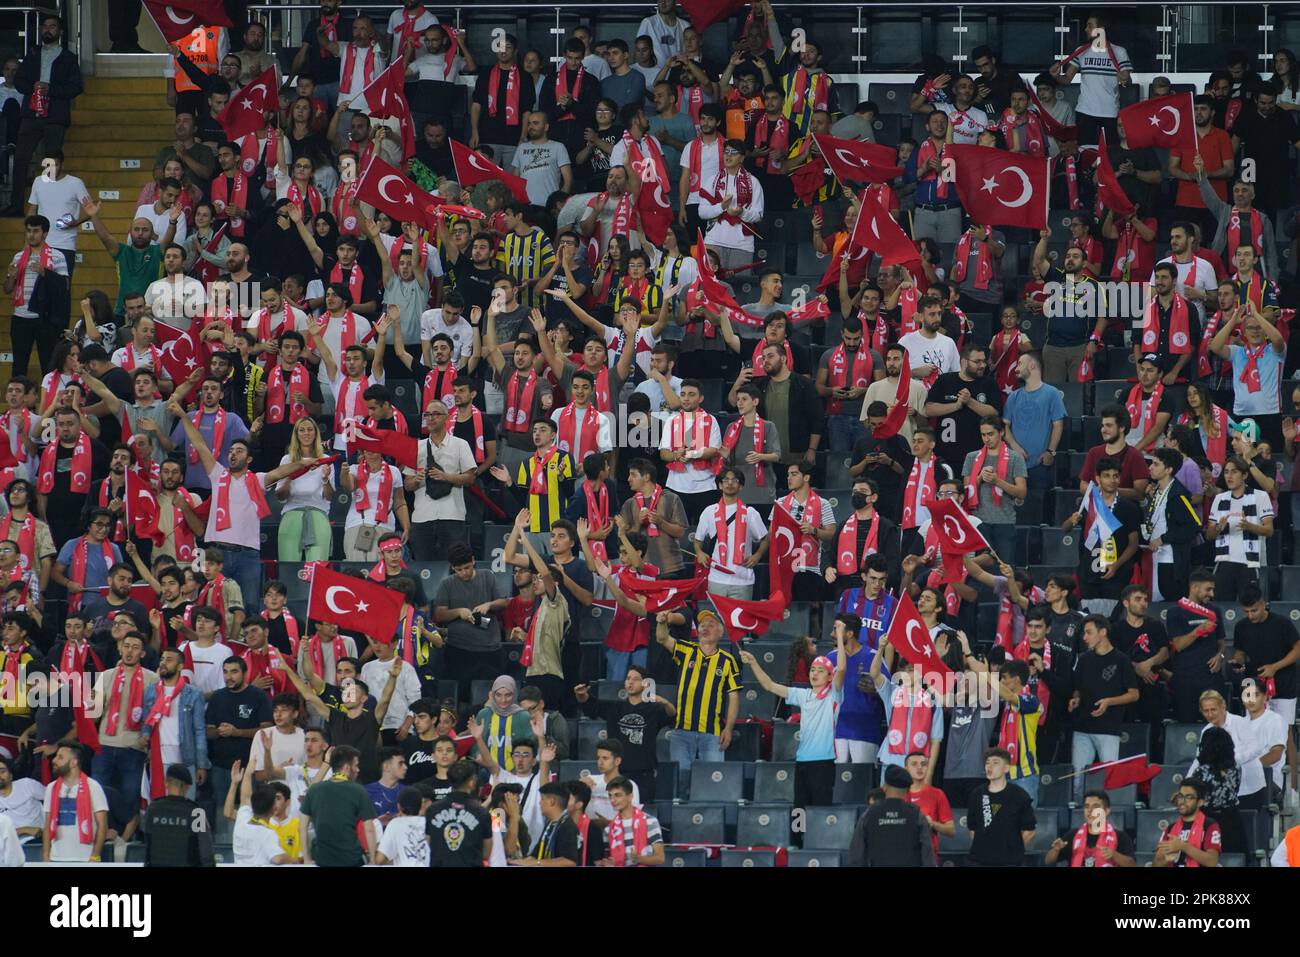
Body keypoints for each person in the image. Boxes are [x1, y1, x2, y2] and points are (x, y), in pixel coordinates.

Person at [741, 624, 845, 809]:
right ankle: (798, 838)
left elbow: (842, 668)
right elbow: (770, 686)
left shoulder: (833, 695)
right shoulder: (803, 695)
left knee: (819, 811)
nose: (815, 673)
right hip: (802, 761)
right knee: (800, 811)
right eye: (813, 669)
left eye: (820, 670)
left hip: (824, 763)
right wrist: (753, 663)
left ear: (830, 677)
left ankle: (815, 839)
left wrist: (838, 634)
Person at [1068, 615, 1140, 802]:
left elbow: (1134, 694)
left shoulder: (1121, 660)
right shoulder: (1083, 659)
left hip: (1108, 729)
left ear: (1103, 632)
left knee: (1110, 778)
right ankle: (1077, 817)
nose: (1085, 637)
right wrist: (1076, 699)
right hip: (1082, 728)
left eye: (1089, 632)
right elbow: (1077, 688)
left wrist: (1109, 701)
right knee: (1077, 780)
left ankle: (1108, 819)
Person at [299, 745, 378, 867]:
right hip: (351, 860)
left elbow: (302, 826)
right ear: (346, 767)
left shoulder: (314, 790)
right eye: (356, 765)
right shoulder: (359, 790)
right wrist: (372, 860)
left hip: (321, 860)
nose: (358, 770)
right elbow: (369, 828)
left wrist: (306, 859)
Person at [847, 764, 937, 867]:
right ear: (908, 790)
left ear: (884, 788)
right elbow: (927, 855)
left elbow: (856, 856)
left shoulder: (869, 814)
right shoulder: (917, 815)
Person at [967, 747, 1036, 868]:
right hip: (979, 861)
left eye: (995, 763)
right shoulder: (977, 794)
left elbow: (1030, 830)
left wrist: (1013, 850)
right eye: (987, 763)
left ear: (1006, 768)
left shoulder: (1019, 795)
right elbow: (972, 828)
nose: (990, 766)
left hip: (1010, 862)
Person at [41, 743, 107, 863]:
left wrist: (95, 856)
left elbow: (102, 825)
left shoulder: (93, 786)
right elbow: (47, 824)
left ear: (74, 763)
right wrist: (46, 855)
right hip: (56, 858)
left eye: (60, 757)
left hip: (85, 858)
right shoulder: (51, 788)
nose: (54, 760)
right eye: (56, 756)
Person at [141, 764, 215, 867]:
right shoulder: (196, 813)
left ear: (166, 783)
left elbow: (147, 842)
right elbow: (207, 854)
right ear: (188, 787)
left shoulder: (152, 809)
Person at [1044, 789, 1137, 867]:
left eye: (1095, 806)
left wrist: (1114, 855)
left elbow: (1132, 865)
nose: (1090, 810)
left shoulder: (1120, 837)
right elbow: (1048, 861)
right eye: (1087, 806)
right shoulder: (1073, 835)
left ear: (1106, 811)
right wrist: (1056, 850)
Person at [596, 775, 664, 867]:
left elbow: (660, 858)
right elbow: (609, 860)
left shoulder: (650, 822)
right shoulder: (608, 829)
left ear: (630, 797)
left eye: (618, 795)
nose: (613, 800)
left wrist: (639, 859)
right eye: (610, 796)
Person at [1153, 780, 1222, 867]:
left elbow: (1212, 862)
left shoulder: (1209, 825)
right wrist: (1167, 860)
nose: (1182, 802)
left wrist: (1184, 846)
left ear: (1200, 802)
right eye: (1180, 797)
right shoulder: (1170, 828)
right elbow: (1155, 864)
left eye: (1188, 797)